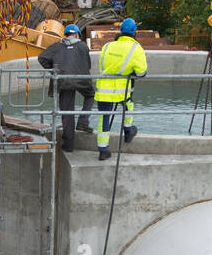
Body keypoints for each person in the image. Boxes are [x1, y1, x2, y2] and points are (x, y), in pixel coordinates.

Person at [95, 17, 147, 160]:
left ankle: (103, 150)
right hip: (122, 90)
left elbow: (103, 66)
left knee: (104, 118)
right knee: (129, 106)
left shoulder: (107, 46)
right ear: (134, 32)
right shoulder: (136, 48)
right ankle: (128, 131)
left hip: (103, 89)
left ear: (120, 31)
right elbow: (141, 73)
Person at [37, 23, 93, 153]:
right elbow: (88, 65)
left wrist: (54, 70)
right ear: (77, 34)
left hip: (63, 81)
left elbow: (42, 58)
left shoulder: (56, 47)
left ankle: (68, 145)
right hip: (81, 80)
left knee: (67, 112)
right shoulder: (83, 46)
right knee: (90, 95)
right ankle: (83, 121)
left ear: (65, 35)